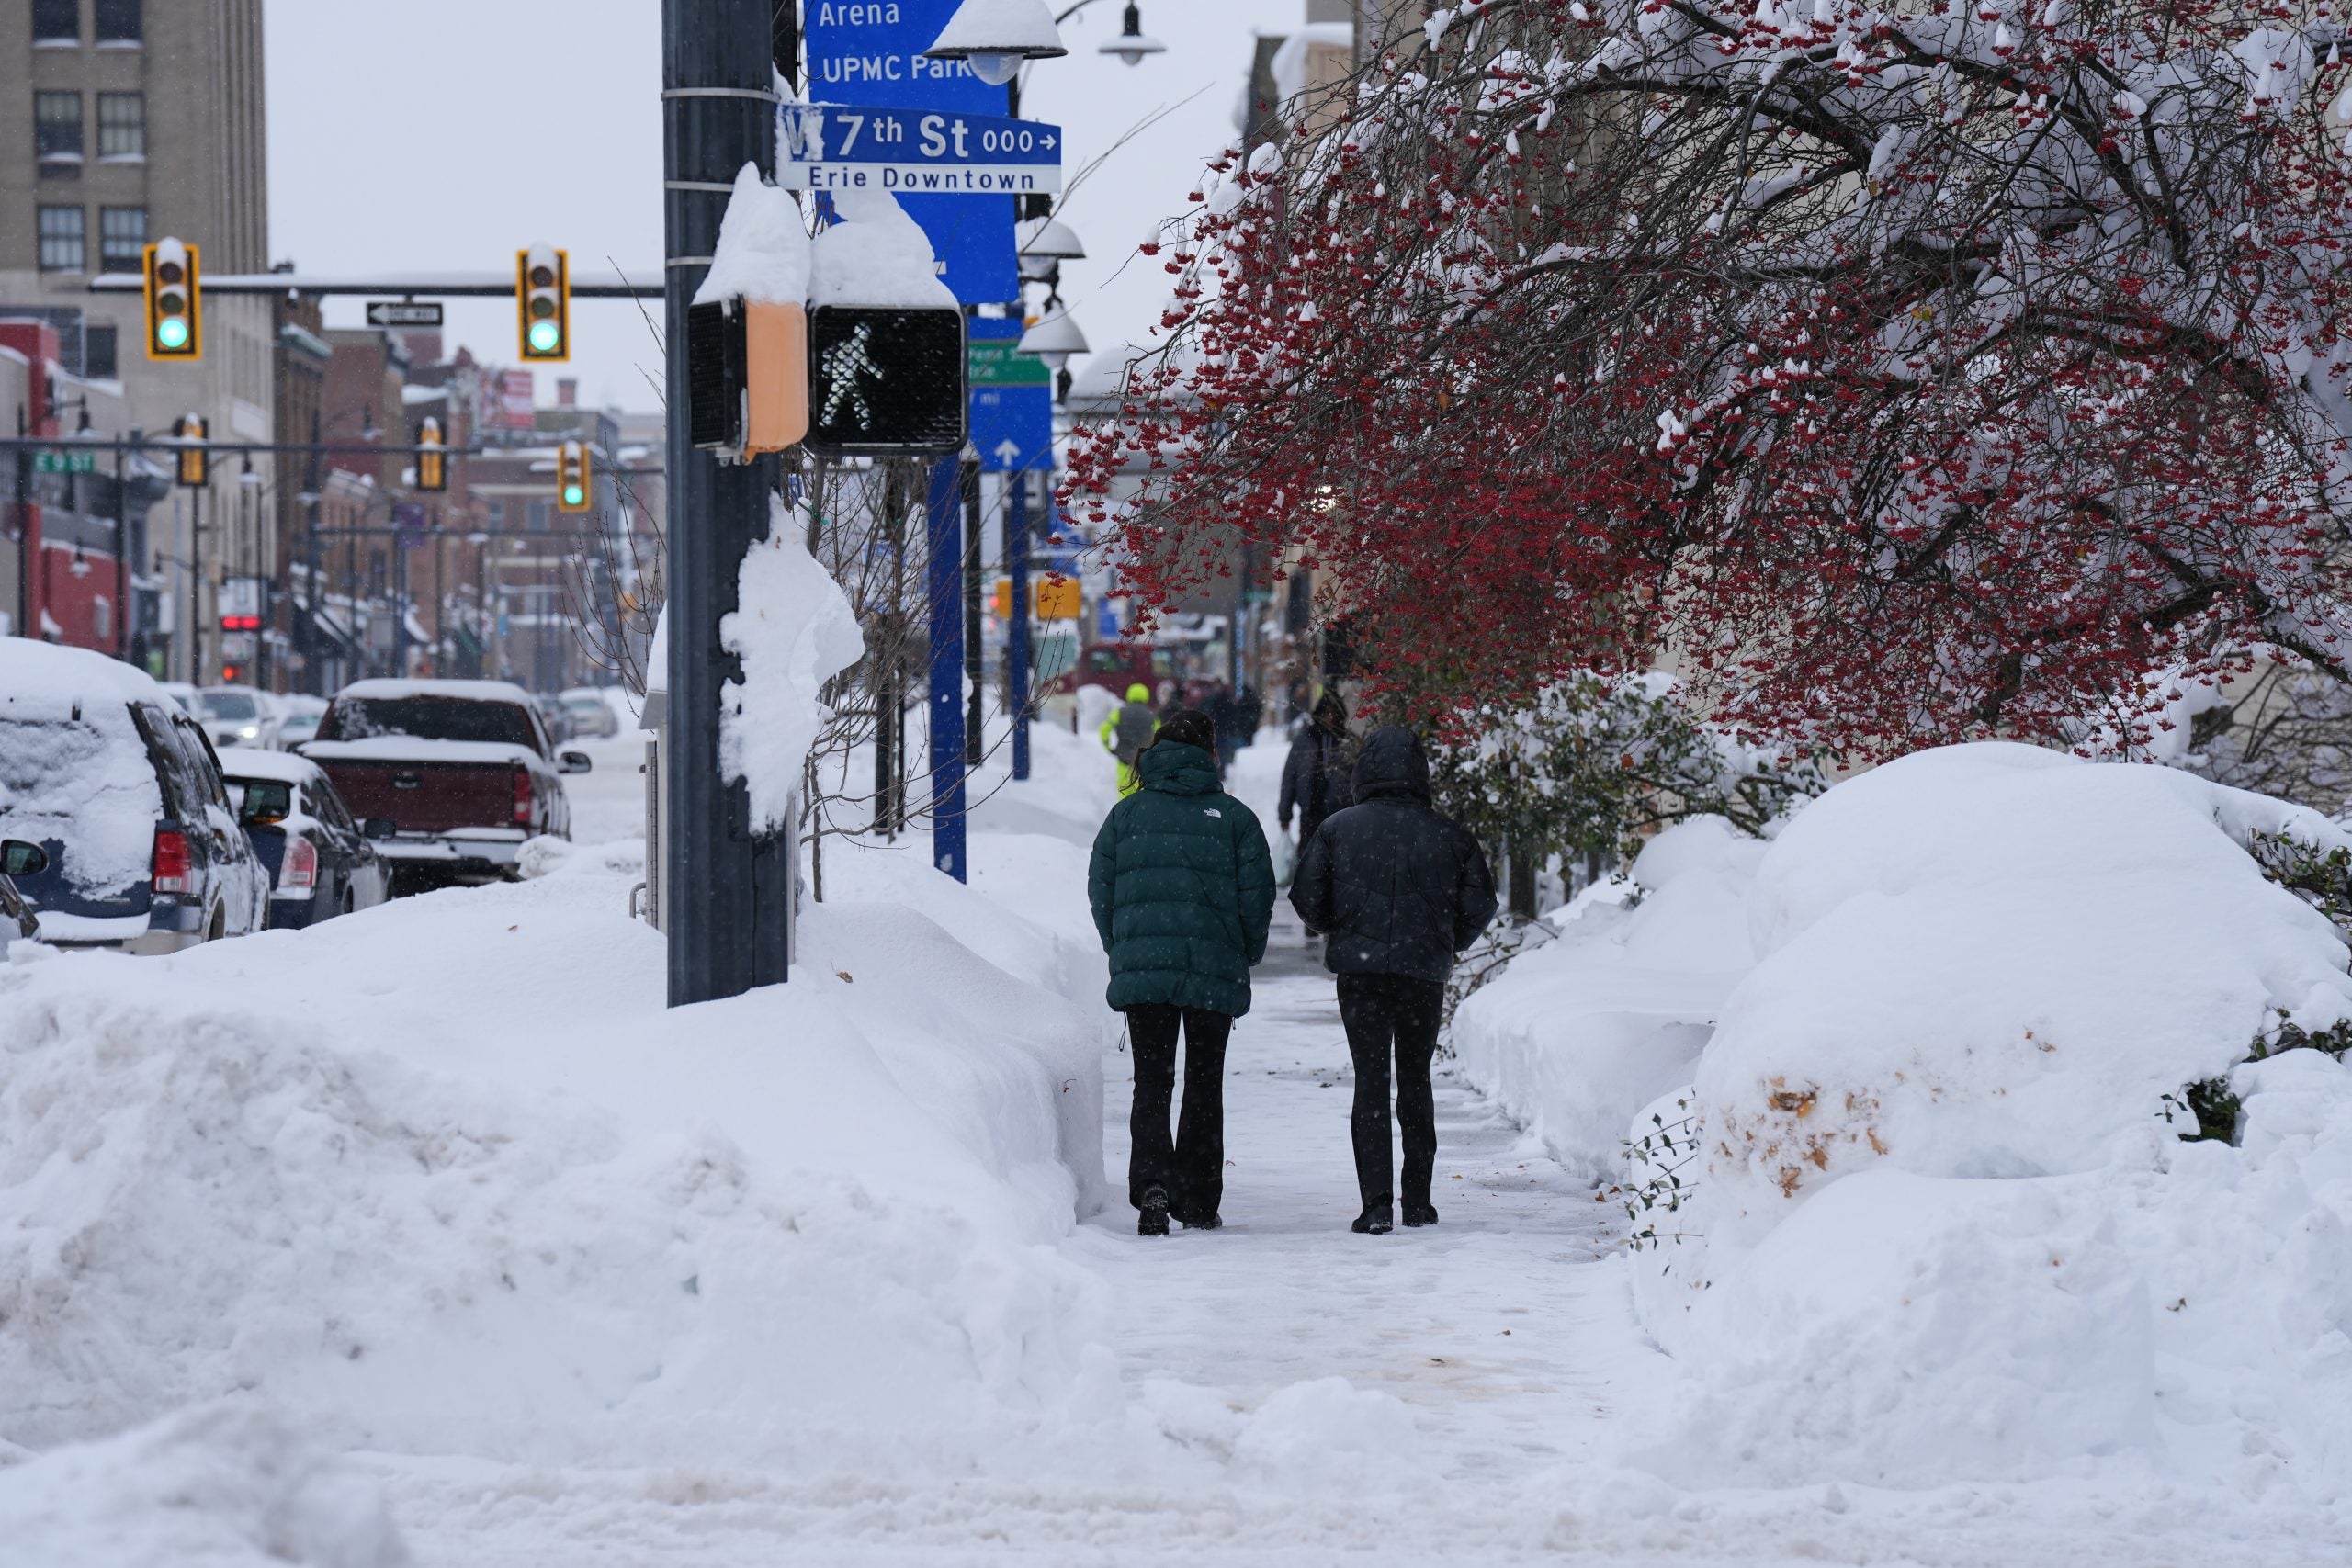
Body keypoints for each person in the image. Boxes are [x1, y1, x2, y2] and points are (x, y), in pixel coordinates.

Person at [1289, 726, 1498, 1236]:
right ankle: (1418, 1201)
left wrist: (1334, 927)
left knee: (1370, 1081)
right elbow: (1481, 903)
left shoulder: (1339, 828)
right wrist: (1449, 941)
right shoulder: (1449, 835)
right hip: (1422, 972)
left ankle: (1376, 1203)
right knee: (1416, 1079)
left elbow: (1306, 897)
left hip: (1360, 972)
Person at [1088, 708, 1276, 1236]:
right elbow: (1256, 897)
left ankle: (1152, 1187)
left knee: (1151, 1083)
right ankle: (1196, 1198)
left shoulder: (1125, 817)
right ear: (1208, 755)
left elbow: (1101, 889)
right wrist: (1245, 952)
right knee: (1203, 1083)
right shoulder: (1235, 818)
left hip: (1145, 973)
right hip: (1213, 971)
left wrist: (1123, 947)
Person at [1279, 691, 1354, 850]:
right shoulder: (1305, 740)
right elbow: (1290, 777)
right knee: (1310, 858)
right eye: (1326, 713)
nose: (1330, 718)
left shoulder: (1348, 741)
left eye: (1334, 713)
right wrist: (1285, 813)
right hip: (1311, 810)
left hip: (1342, 811)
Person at [1098, 682, 1159, 798]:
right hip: (1142, 762)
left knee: (1123, 793)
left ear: (1129, 695)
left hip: (1123, 759)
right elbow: (1158, 735)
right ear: (1145, 696)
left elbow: (1104, 730)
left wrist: (1108, 747)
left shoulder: (1120, 713)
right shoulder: (1151, 716)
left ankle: (1123, 815)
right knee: (1140, 795)